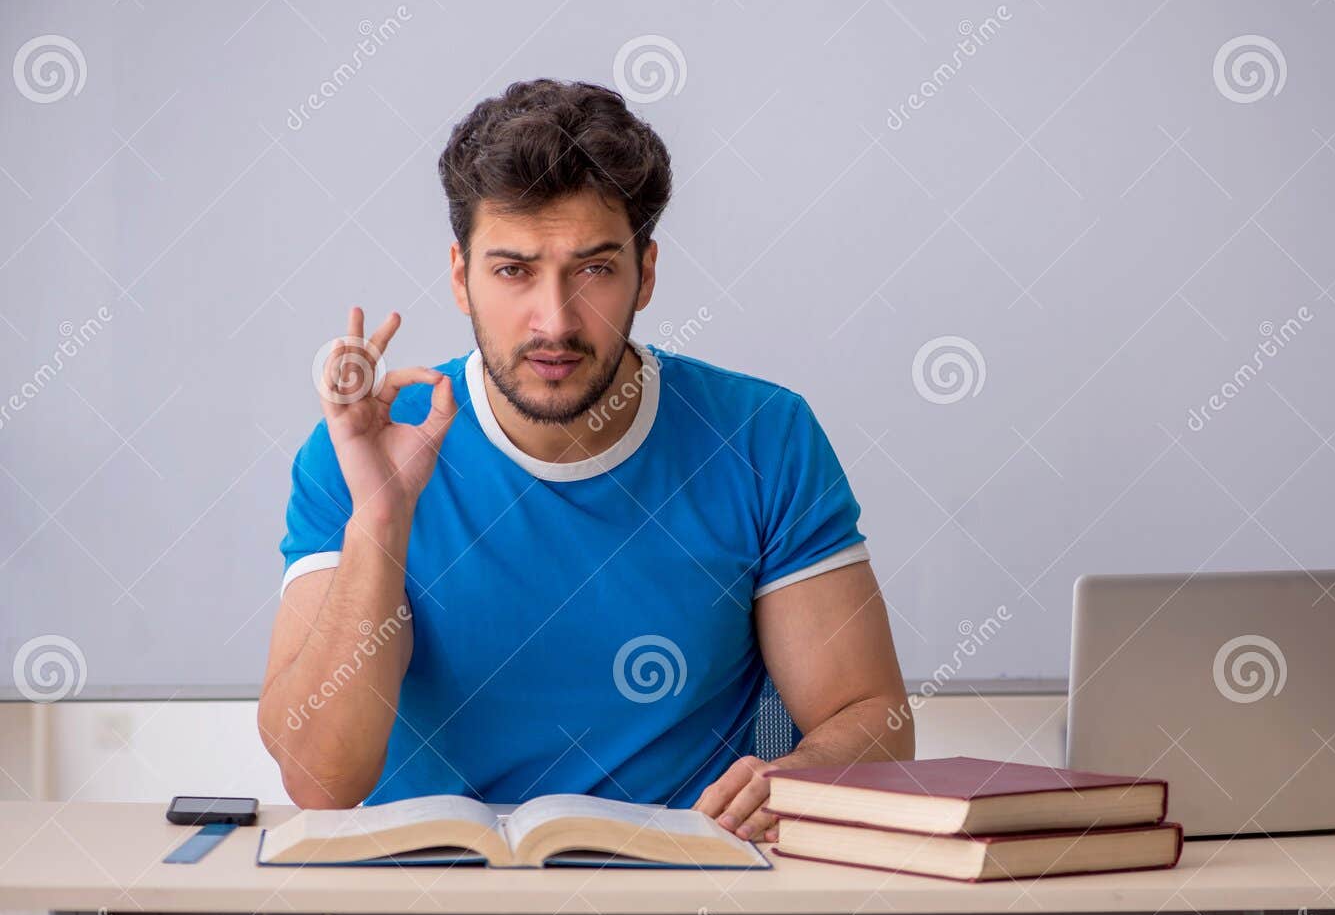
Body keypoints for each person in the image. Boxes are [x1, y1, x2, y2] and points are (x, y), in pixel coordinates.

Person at [256, 79, 912, 843]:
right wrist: (381, 515)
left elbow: (874, 721)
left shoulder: (763, 436)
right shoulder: (362, 451)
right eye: (513, 271)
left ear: (648, 272)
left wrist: (795, 778)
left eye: (594, 269)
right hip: (428, 907)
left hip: (687, 898)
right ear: (460, 277)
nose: (555, 321)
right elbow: (320, 782)